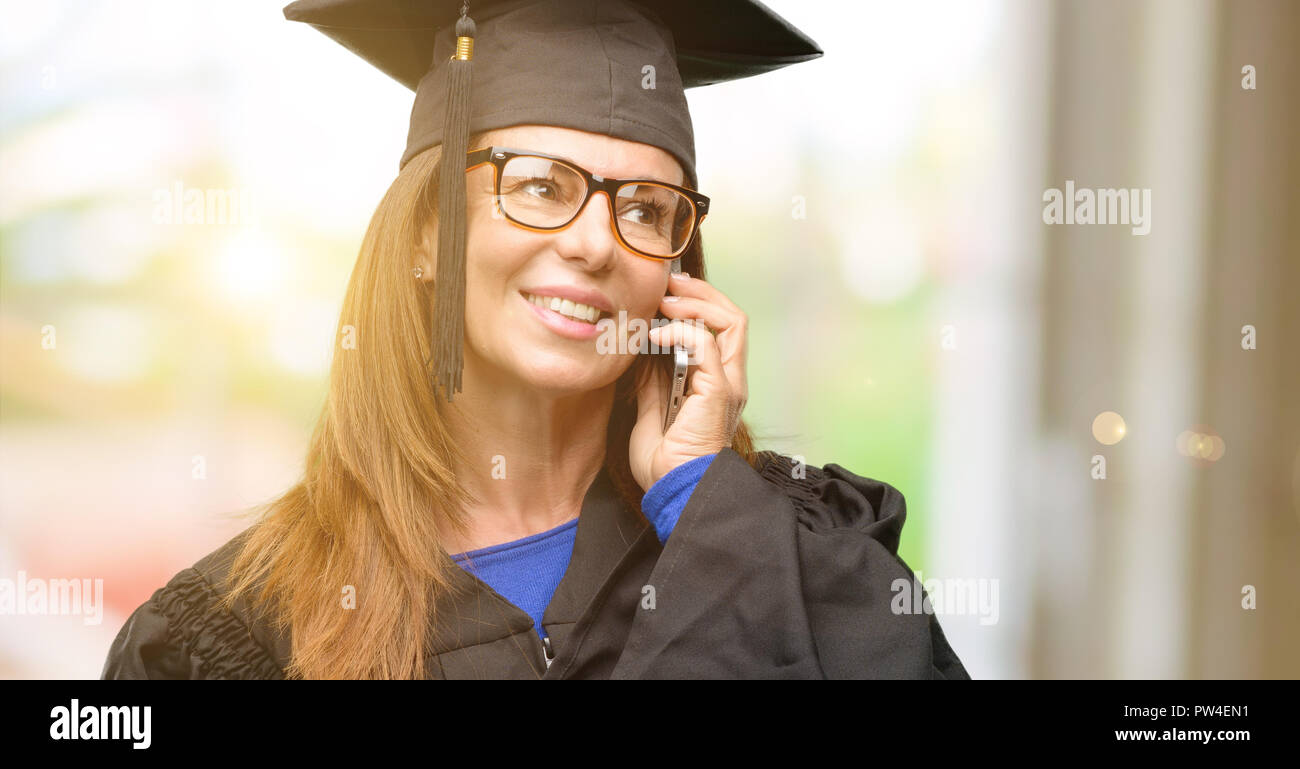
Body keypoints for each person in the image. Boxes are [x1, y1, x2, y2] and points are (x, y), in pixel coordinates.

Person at [101, 0, 971, 680]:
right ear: (423, 237)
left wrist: (704, 503)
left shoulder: (792, 546)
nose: (596, 242)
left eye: (644, 208)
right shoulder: (237, 633)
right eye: (542, 185)